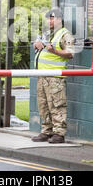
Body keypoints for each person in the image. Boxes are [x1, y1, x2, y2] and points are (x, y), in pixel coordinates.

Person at [32, 8, 74, 144]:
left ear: (60, 20)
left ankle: (59, 133)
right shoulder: (46, 34)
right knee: (43, 105)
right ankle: (46, 131)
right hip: (42, 76)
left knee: (57, 105)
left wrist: (54, 50)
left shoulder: (65, 34)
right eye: (48, 18)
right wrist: (36, 45)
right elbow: (43, 49)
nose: (49, 21)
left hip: (55, 77)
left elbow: (70, 53)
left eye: (52, 18)